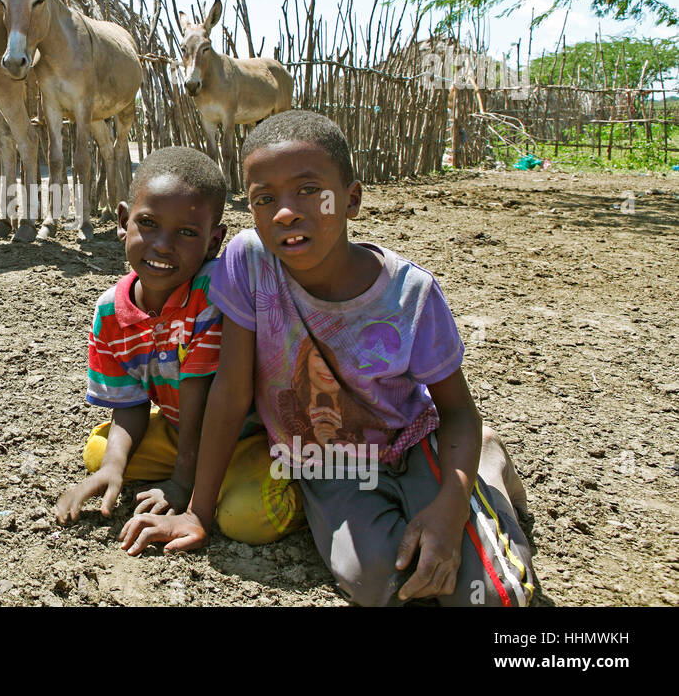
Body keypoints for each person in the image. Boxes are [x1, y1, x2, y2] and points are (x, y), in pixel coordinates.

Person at [119, 111, 536, 606]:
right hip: (329, 466)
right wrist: (197, 512)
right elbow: (230, 392)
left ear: (352, 199)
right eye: (265, 199)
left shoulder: (410, 296)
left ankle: (483, 468)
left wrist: (450, 508)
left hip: (414, 442)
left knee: (484, 595)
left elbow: (459, 411)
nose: (285, 213)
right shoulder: (249, 262)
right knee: (378, 583)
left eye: (309, 190)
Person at [55, 146, 304, 545]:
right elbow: (130, 405)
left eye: (187, 233)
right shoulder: (109, 313)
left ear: (213, 241)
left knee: (247, 520)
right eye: (148, 223)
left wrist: (182, 484)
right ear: (123, 221)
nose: (163, 245)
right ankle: (201, 482)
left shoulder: (214, 291)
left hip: (247, 437)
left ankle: (292, 487)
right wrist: (115, 467)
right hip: (179, 430)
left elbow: (201, 393)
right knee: (101, 453)